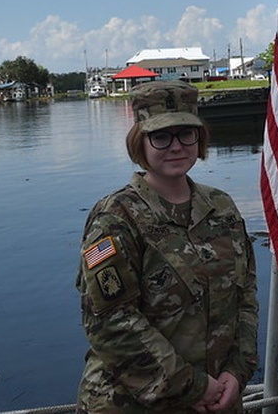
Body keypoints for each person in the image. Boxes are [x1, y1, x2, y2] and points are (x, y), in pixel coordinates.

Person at [76, 79, 258, 413]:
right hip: (133, 404)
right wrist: (192, 387)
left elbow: (245, 297)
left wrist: (238, 370)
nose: (176, 146)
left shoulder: (222, 208)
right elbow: (109, 322)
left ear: (199, 137)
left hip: (218, 397)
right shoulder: (115, 218)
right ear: (140, 142)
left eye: (186, 133)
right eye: (161, 136)